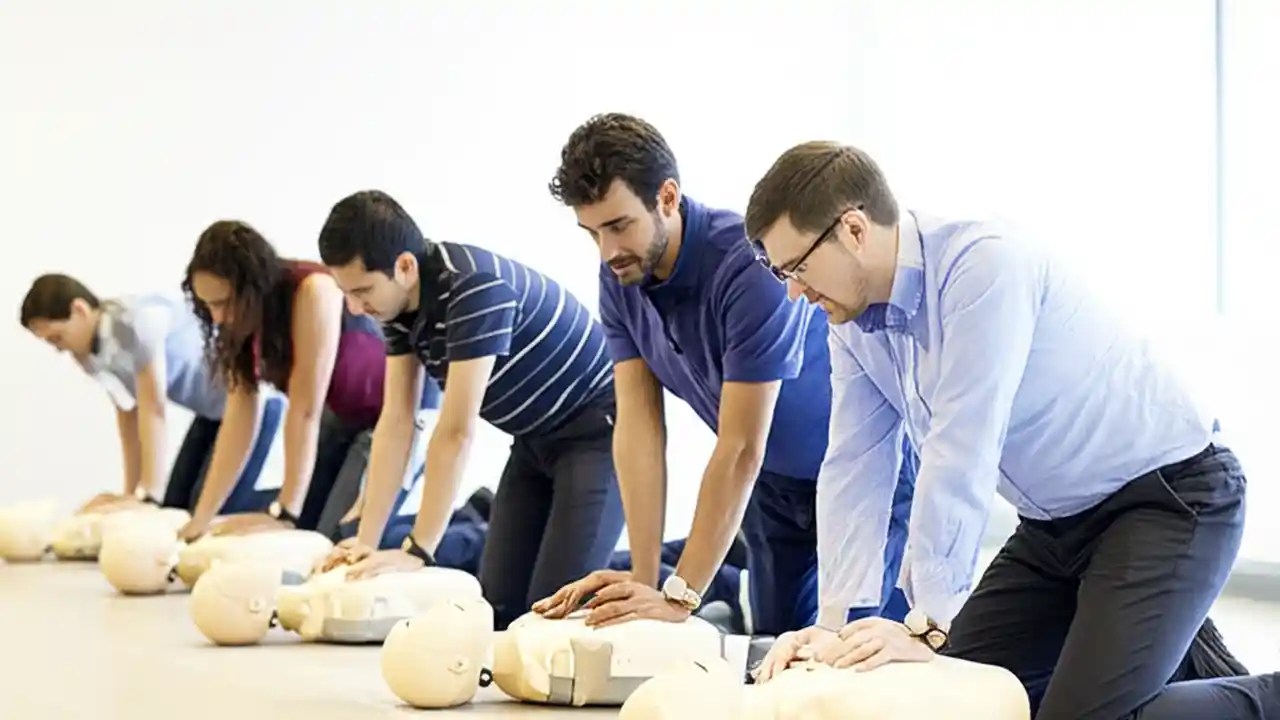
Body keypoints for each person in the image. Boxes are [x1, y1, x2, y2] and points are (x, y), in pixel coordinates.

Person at [746, 141, 1278, 719]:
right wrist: (834, 625)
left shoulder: (982, 264)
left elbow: (961, 448)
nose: (794, 291)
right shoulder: (850, 318)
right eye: (781, 274)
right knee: (957, 701)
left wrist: (926, 626)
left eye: (797, 267)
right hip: (1055, 528)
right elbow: (854, 463)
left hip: (1168, 500)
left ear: (853, 229)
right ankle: (1154, 657)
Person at [533, 113, 914, 637]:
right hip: (775, 490)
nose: (607, 250)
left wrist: (680, 593)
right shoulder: (619, 275)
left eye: (619, 226)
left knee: (859, 657)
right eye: (592, 232)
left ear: (667, 198)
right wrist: (644, 583)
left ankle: (714, 591)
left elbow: (739, 447)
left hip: (865, 476)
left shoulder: (746, 264)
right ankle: (724, 593)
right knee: (777, 652)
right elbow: (639, 429)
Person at [314, 189, 623, 630]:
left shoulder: (473, 287)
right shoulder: (399, 310)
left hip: (600, 434)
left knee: (552, 613)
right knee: (497, 610)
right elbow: (397, 422)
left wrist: (418, 550)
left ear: (404, 266)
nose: (355, 307)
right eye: (346, 293)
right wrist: (367, 541)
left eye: (362, 290)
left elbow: (455, 431)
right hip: (533, 440)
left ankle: (703, 587)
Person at [179, 219, 439, 544]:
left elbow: (304, 410)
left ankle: (467, 526)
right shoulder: (240, 324)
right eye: (207, 306)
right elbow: (239, 420)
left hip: (399, 413)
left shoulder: (313, 290)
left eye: (222, 303)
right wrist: (199, 520)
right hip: (344, 417)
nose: (217, 317)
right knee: (305, 535)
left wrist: (286, 512)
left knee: (336, 539)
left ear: (250, 288)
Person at [19, 273, 281, 515]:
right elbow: (128, 414)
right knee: (175, 508)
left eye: (57, 338)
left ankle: (296, 503)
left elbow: (152, 407)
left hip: (253, 404)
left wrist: (147, 495)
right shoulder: (88, 355)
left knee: (210, 511)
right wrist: (130, 493)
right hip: (211, 413)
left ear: (79, 309)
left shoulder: (135, 322)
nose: (58, 348)